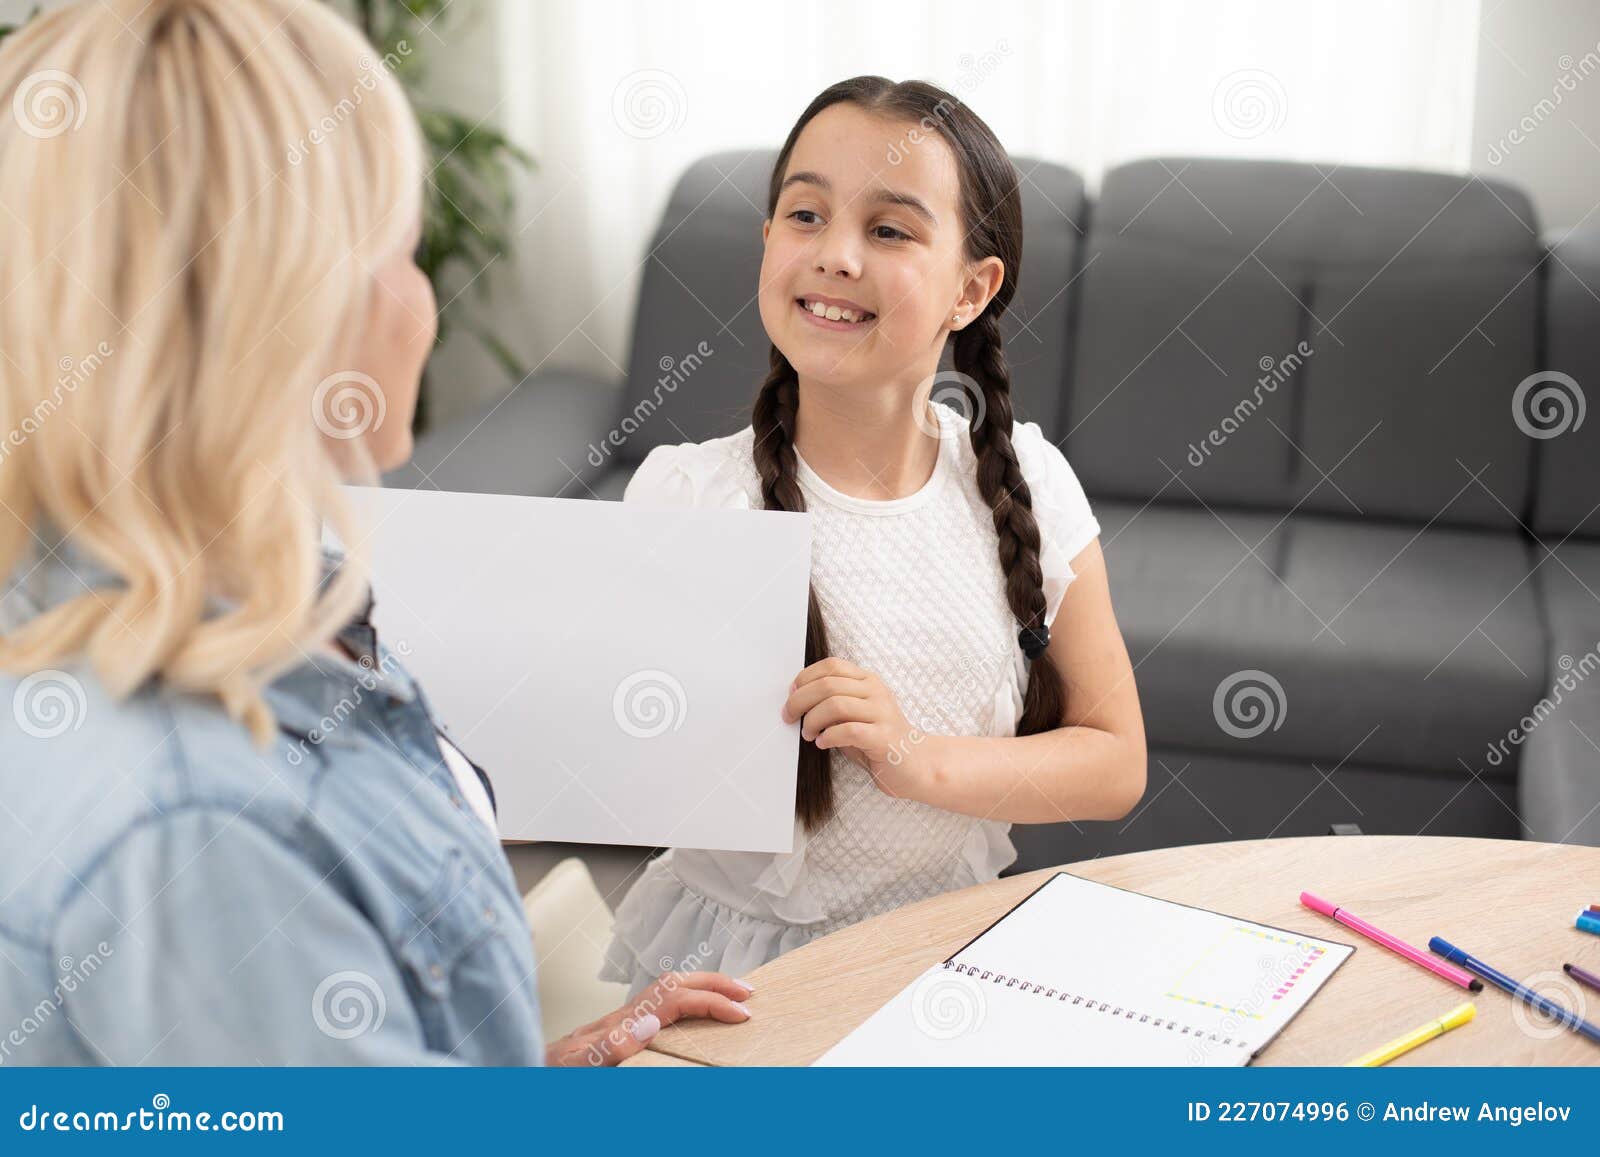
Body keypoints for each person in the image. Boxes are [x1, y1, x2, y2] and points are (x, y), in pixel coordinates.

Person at [0, 0, 750, 1066]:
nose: (424, 304)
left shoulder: (236, 599)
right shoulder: (209, 836)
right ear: (294, 307)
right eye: (406, 253)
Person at [604, 77, 1146, 995]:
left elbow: (1114, 761)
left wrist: (913, 759)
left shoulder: (1032, 486)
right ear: (767, 243)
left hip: (948, 961)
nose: (836, 255)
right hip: (734, 983)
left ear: (971, 290)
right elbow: (608, 746)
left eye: (889, 229)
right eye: (805, 214)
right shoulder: (689, 497)